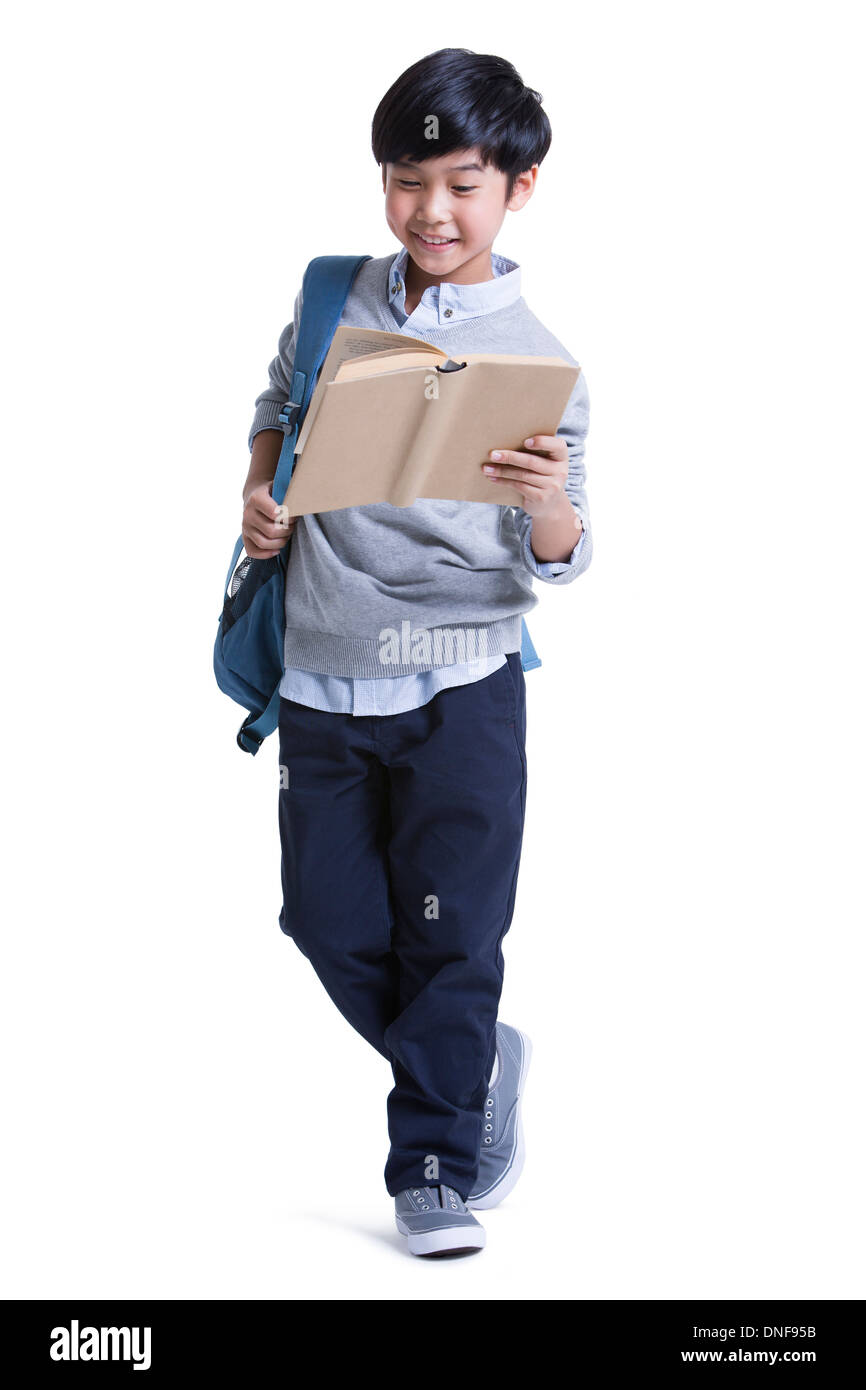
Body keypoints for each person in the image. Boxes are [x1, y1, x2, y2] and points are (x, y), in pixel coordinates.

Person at [240, 47, 593, 1258]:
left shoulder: (539, 358)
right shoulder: (333, 296)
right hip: (325, 668)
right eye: (405, 180)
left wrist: (549, 502)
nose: (429, 211)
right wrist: (258, 496)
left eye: (459, 183)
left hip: (462, 679)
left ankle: (433, 1164)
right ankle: (470, 1049)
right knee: (323, 917)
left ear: (517, 189)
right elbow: (278, 408)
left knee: (451, 935)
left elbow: (558, 553)